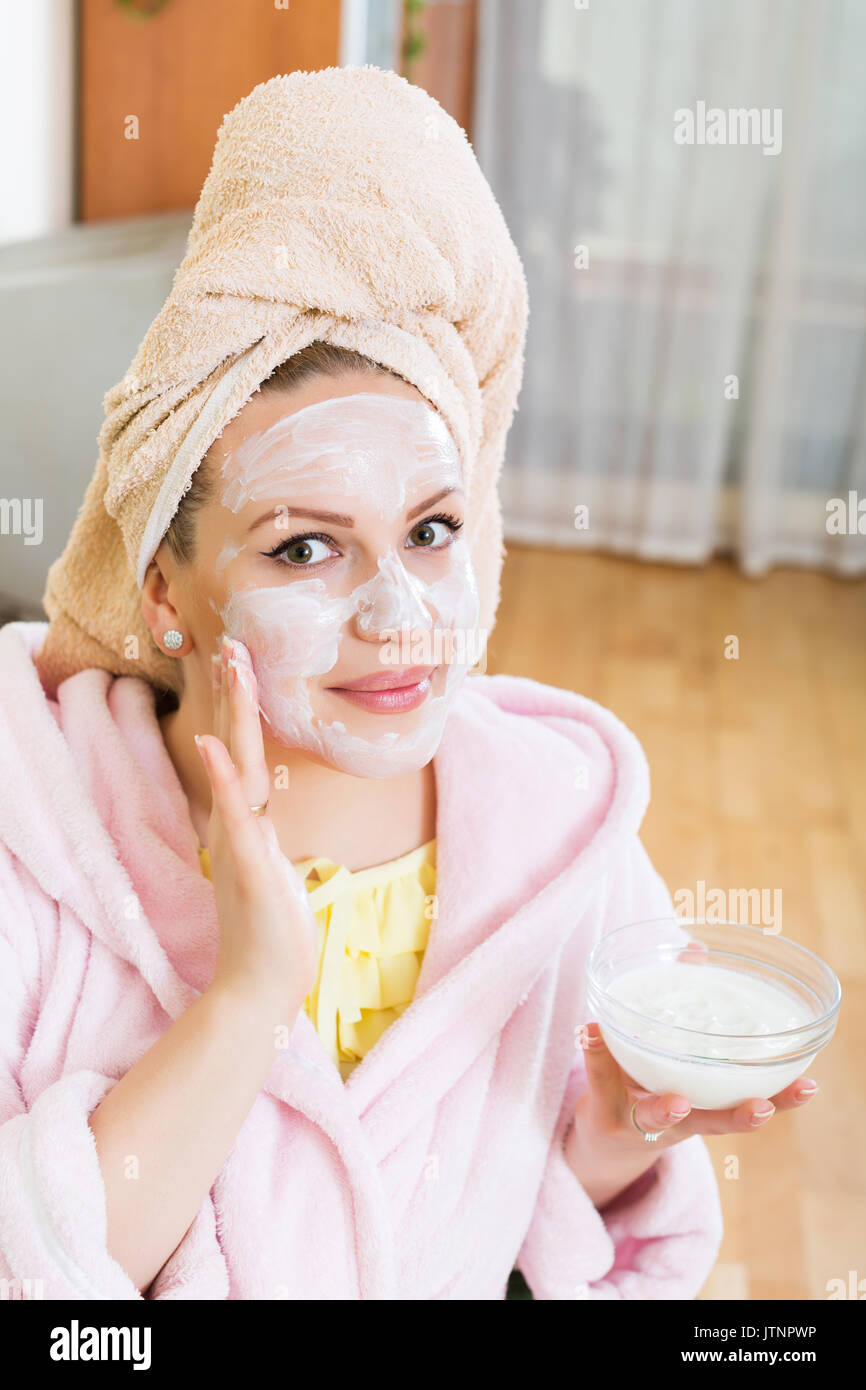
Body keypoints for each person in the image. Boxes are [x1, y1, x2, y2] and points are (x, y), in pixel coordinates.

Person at [0, 66, 817, 1302]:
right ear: (163, 590)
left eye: (431, 530)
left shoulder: (565, 853)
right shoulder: (37, 847)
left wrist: (606, 1144)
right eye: (304, 546)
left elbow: (567, 1258)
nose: (399, 615)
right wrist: (248, 996)